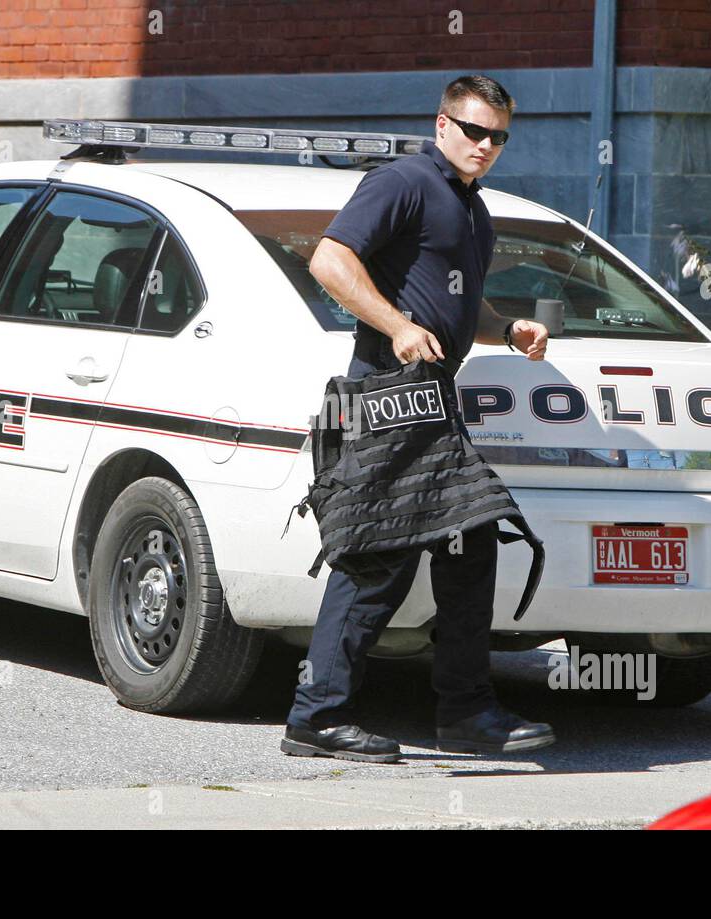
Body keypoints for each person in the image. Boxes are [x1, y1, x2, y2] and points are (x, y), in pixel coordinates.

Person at [282, 75, 555, 764]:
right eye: (473, 131)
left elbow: (457, 304)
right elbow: (329, 259)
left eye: (498, 137)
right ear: (441, 126)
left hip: (433, 401)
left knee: (471, 541)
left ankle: (465, 712)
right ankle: (318, 713)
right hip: (386, 392)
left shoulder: (475, 211)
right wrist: (397, 324)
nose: (485, 146)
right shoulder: (403, 181)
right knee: (379, 556)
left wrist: (507, 328)